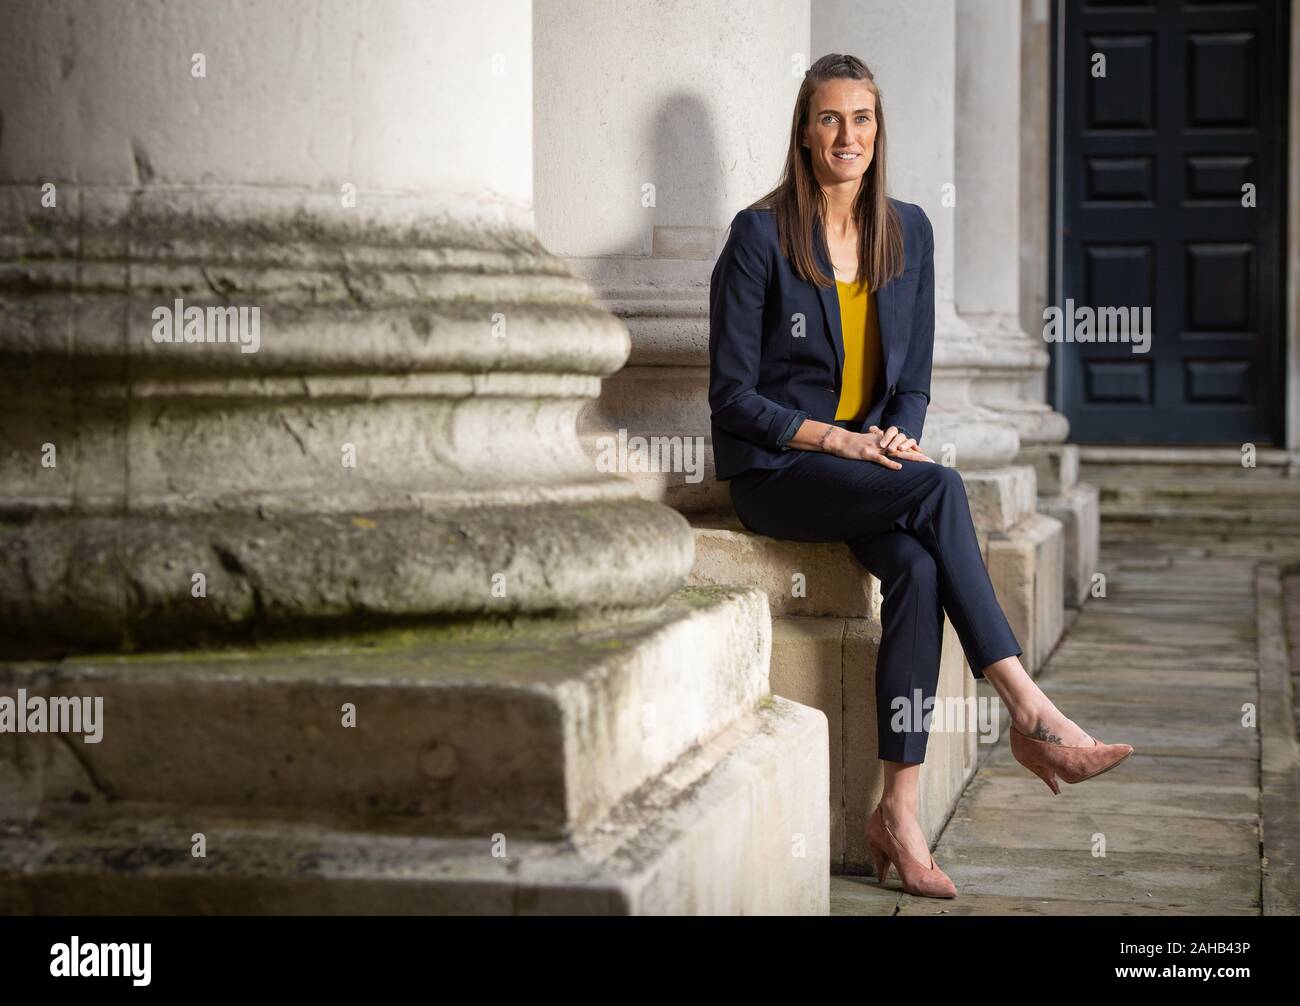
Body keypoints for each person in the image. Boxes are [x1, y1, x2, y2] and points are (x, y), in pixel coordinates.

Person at [708, 53, 1133, 899]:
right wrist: (840, 442)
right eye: (829, 118)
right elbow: (731, 396)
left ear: (879, 131)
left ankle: (896, 810)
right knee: (941, 488)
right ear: (803, 129)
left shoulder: (908, 232)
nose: (847, 136)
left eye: (861, 119)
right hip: (781, 471)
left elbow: (912, 386)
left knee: (918, 564)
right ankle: (1026, 707)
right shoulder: (759, 236)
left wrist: (893, 440)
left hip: (866, 467)